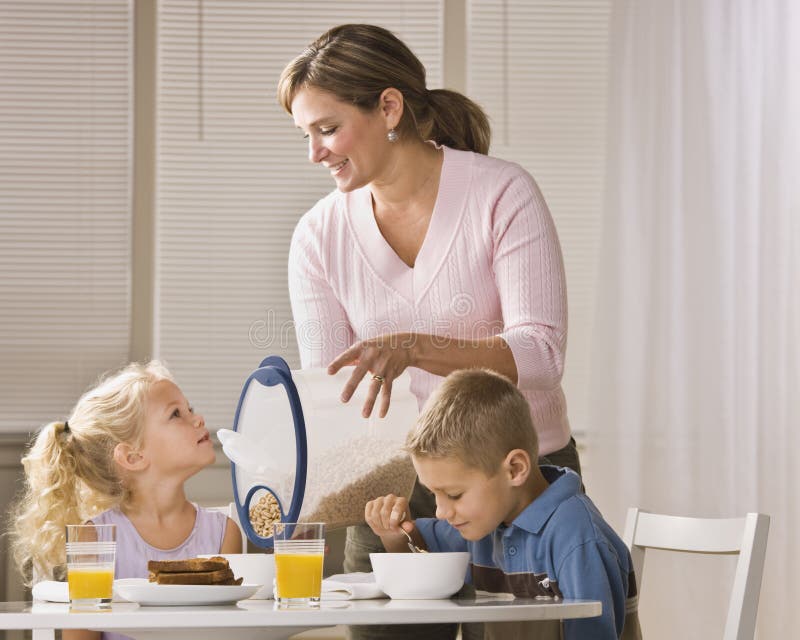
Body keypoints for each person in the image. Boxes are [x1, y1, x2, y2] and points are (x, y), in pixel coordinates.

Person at [279, 23, 580, 639]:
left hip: (519, 481)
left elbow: (542, 355)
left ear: (388, 107)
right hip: (393, 496)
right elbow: (336, 391)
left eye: (328, 128)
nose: (315, 153)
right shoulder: (318, 236)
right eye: (304, 135)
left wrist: (414, 346)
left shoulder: (501, 193)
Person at [365, 369, 642, 640]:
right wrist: (394, 533)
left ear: (514, 469)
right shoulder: (484, 522)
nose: (440, 511)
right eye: (434, 494)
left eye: (454, 494)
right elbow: (421, 561)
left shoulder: (577, 540)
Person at [9, 361, 242, 640]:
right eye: (176, 414)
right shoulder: (94, 540)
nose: (198, 418)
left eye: (189, 408)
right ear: (133, 457)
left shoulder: (224, 533)